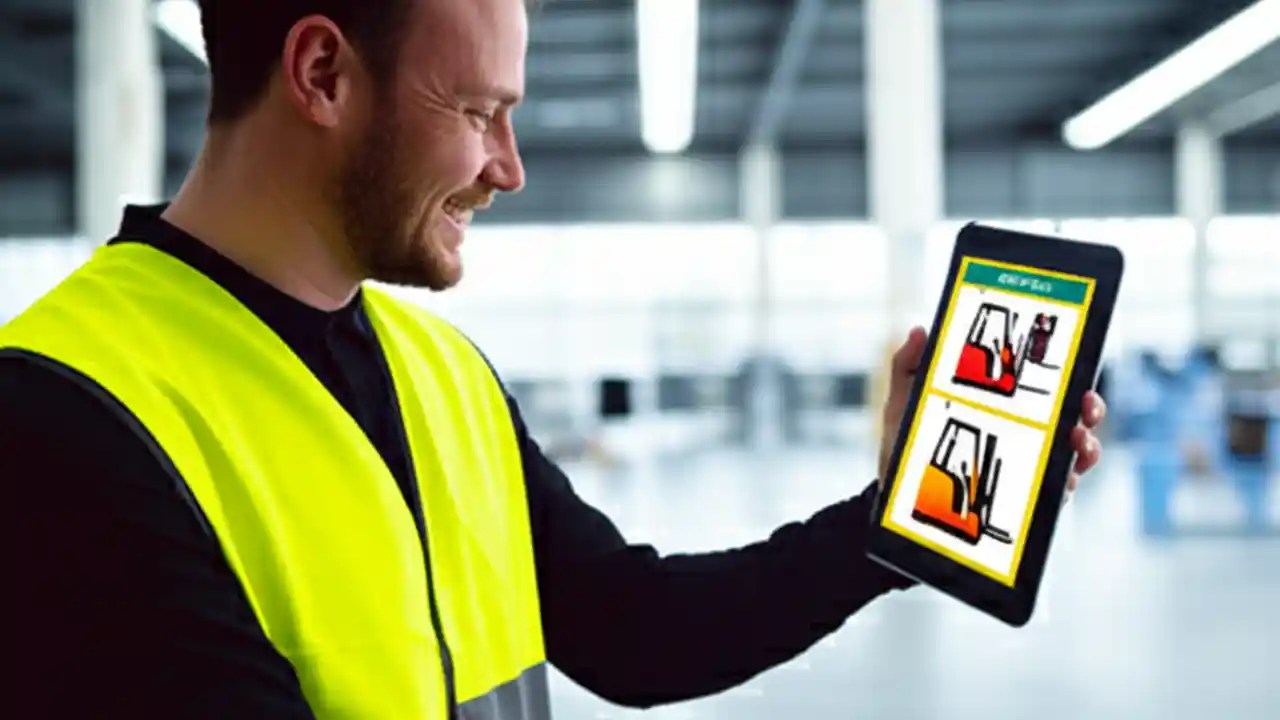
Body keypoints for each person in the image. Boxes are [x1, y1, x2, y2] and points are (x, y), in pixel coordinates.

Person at [0, 0, 1107, 717]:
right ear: (323, 72)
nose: (510, 168)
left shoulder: (443, 373)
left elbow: (630, 630)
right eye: (480, 110)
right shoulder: (60, 416)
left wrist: (893, 518)